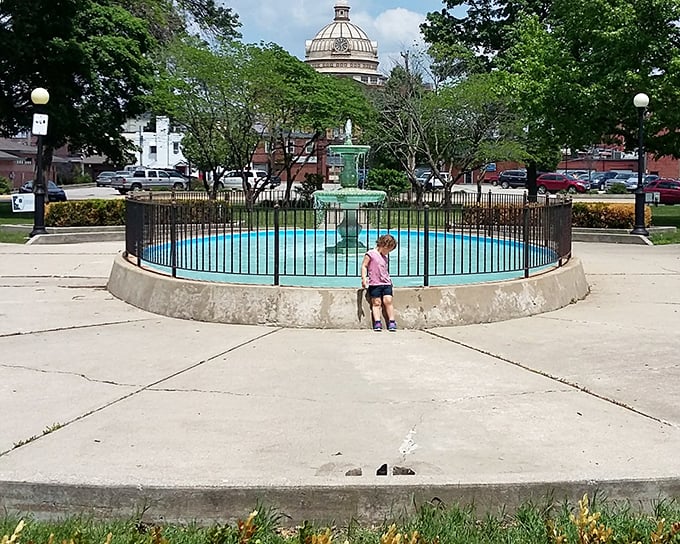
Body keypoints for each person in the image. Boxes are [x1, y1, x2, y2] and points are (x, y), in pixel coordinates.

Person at [361, 234, 398, 332]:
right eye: (388, 250)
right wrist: (364, 278)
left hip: (386, 283)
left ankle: (392, 321)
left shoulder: (384, 257)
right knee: (376, 302)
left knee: (388, 301)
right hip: (375, 283)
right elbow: (364, 266)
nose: (388, 252)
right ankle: (377, 321)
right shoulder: (370, 254)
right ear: (383, 245)